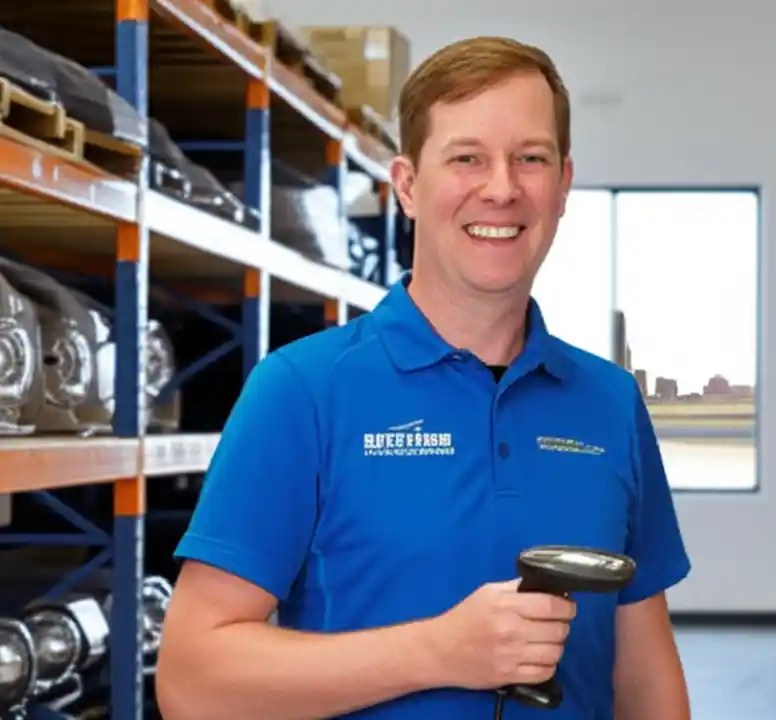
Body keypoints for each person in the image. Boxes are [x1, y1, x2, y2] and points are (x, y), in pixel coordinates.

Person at [155, 35, 693, 720]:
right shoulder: (301, 391)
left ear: (563, 185)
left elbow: (644, 676)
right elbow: (193, 682)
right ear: (407, 186)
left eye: (530, 158)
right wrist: (438, 651)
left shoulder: (609, 403)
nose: (501, 189)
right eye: (467, 158)